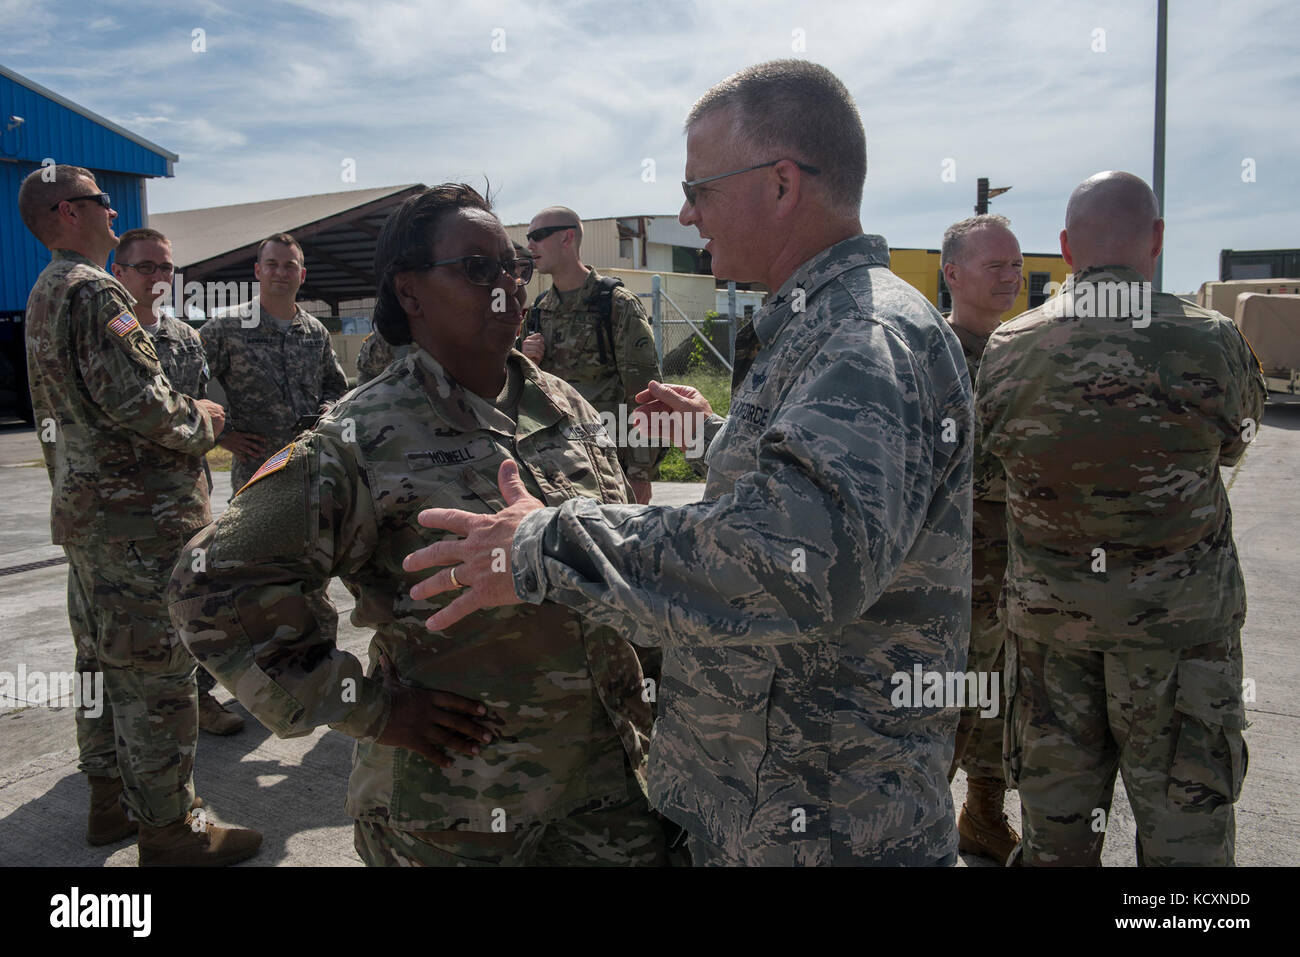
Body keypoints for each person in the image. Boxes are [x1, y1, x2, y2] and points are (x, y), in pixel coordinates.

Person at [404, 61, 973, 866]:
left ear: (781, 185)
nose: (686, 212)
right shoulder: (823, 328)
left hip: (826, 822)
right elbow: (824, 497)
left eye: (699, 188)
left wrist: (545, 543)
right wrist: (720, 441)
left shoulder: (862, 337)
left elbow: (792, 559)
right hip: (766, 801)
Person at [168, 184, 667, 867]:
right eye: (477, 269)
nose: (508, 288)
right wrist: (368, 707)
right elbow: (211, 583)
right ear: (410, 292)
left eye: (514, 267)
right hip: (459, 812)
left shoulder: (564, 404)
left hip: (609, 791)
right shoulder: (358, 435)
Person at [975, 171, 1265, 866]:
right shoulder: (1211, 341)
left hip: (1051, 645)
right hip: (1180, 643)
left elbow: (991, 468)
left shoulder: (1010, 348)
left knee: (1056, 843)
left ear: (1068, 247)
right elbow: (1237, 443)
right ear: (1156, 240)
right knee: (1188, 848)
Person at [17, 165, 261, 865]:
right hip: (141, 525)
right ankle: (168, 829)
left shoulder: (45, 291)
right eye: (102, 201)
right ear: (67, 212)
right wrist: (205, 418)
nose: (114, 210)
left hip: (90, 519)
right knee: (157, 675)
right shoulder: (94, 290)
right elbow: (140, 403)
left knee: (99, 659)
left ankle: (110, 798)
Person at [110, 227, 244, 736]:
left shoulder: (186, 337)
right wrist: (193, 423)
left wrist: (197, 427)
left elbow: (205, 419)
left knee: (194, 602)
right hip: (128, 501)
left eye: (167, 268)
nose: (159, 277)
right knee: (134, 616)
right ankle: (138, 715)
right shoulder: (113, 335)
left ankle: (198, 699)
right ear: (118, 273)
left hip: (188, 496)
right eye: (147, 267)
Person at [938, 214, 1023, 863]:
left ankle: (985, 812)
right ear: (953, 272)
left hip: (1020, 563)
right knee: (951, 701)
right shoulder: (926, 356)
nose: (1011, 275)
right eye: (995, 265)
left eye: (1015, 264)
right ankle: (921, 824)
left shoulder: (1028, 352)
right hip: (950, 568)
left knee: (1005, 693)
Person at [521, 207, 663, 503]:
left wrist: (639, 473)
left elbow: (644, 396)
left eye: (538, 236)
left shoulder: (616, 305)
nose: (530, 245)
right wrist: (526, 360)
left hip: (609, 466)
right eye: (528, 237)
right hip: (555, 467)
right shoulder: (537, 311)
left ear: (567, 237)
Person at [200, 232, 349, 497]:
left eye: (289, 266)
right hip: (256, 469)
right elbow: (187, 382)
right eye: (272, 265)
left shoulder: (315, 332)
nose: (280, 272)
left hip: (311, 465)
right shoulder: (228, 327)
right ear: (258, 270)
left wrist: (325, 414)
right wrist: (222, 434)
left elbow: (336, 385)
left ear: (301, 275)